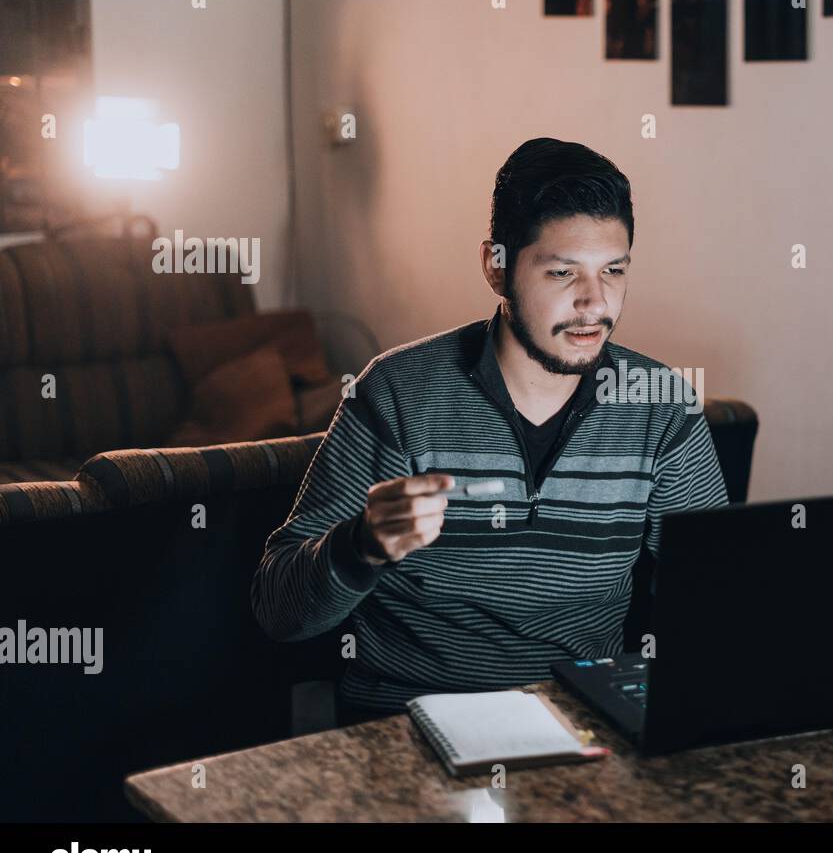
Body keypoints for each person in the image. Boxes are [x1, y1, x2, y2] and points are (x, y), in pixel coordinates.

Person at [250, 137, 729, 724]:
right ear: (496, 267)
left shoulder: (662, 408)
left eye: (613, 270)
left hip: (581, 730)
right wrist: (362, 545)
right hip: (408, 727)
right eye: (562, 272)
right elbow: (278, 610)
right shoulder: (398, 392)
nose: (594, 303)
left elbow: (717, 599)